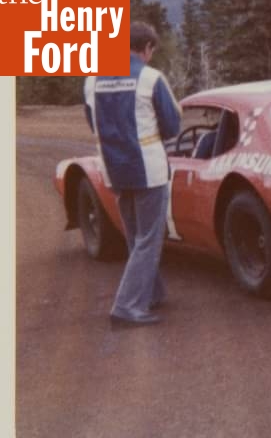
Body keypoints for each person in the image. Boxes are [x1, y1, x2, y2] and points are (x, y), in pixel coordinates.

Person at [84, 21, 181, 328]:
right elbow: (173, 124)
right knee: (150, 237)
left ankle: (150, 292)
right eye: (152, 50)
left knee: (135, 234)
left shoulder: (92, 79)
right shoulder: (150, 78)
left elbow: (91, 121)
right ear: (147, 48)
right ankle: (127, 306)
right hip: (148, 165)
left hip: (114, 167)